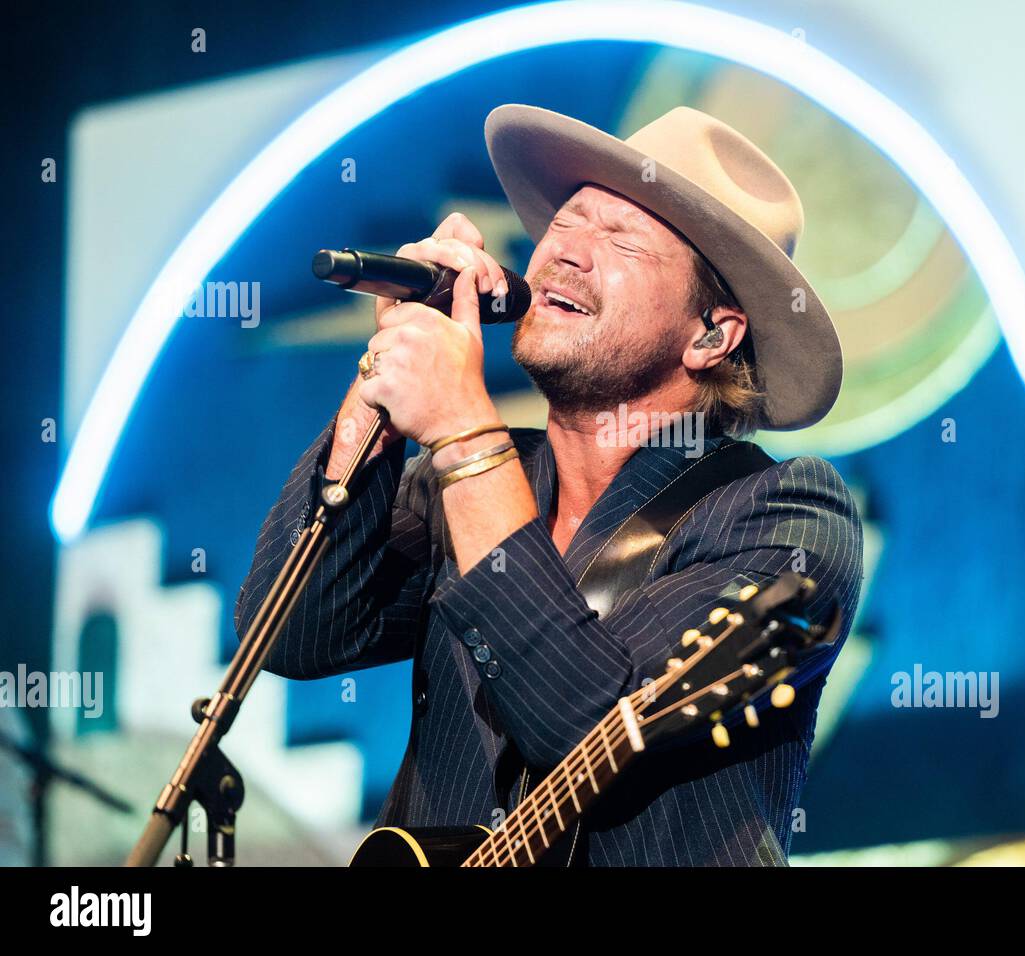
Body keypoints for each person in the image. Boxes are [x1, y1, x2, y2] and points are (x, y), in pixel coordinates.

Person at [236, 104, 863, 865]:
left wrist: (464, 427)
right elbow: (297, 631)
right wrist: (384, 377)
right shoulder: (458, 488)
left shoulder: (781, 514)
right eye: (566, 222)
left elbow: (582, 720)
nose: (565, 254)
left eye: (621, 237)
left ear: (712, 334)